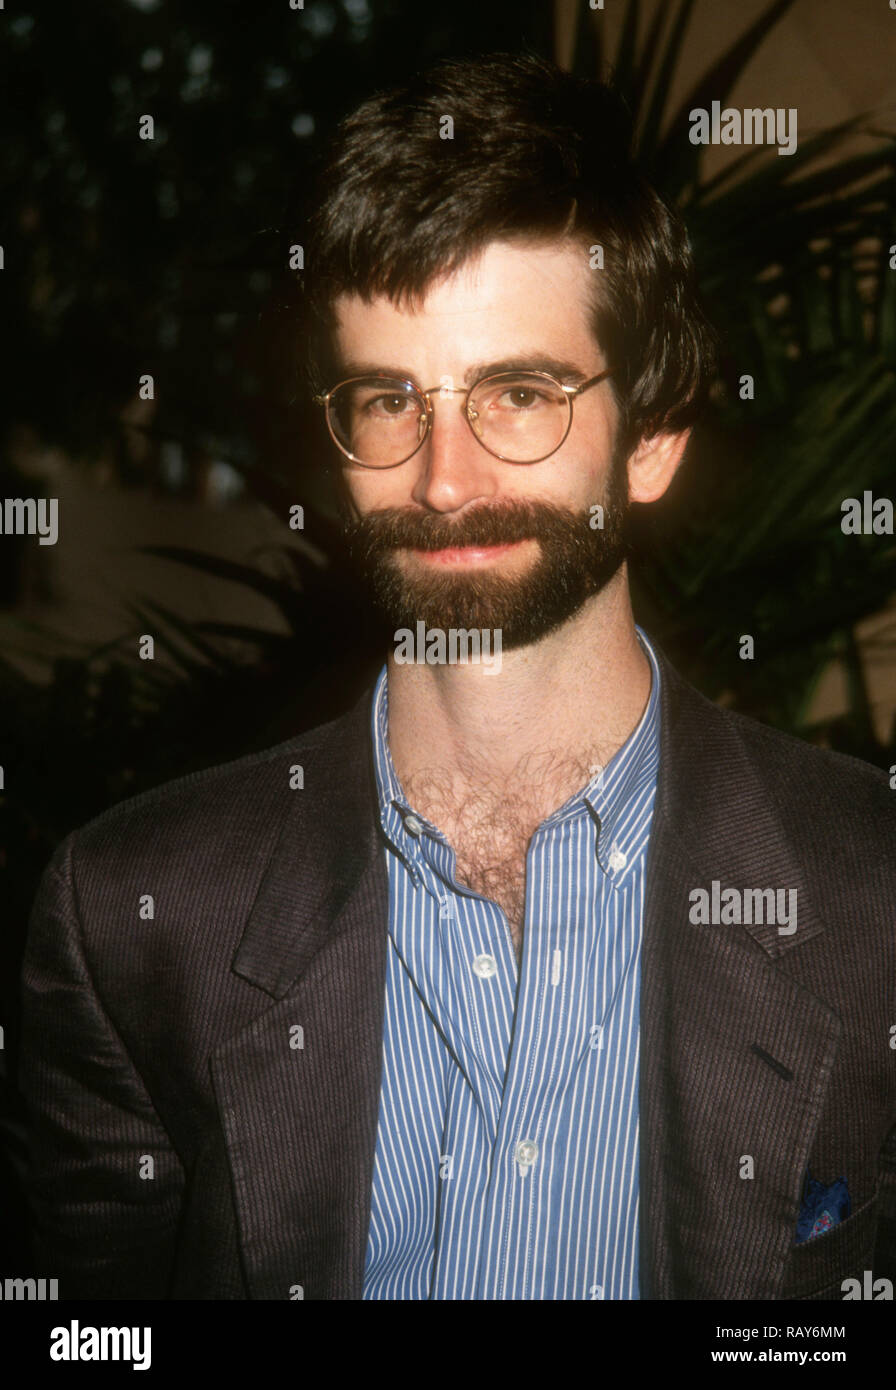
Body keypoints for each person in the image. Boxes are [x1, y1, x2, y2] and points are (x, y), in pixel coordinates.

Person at [19, 53, 895, 1301]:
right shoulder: (132, 915)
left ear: (649, 440)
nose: (441, 480)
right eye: (388, 401)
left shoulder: (871, 893)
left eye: (519, 393)